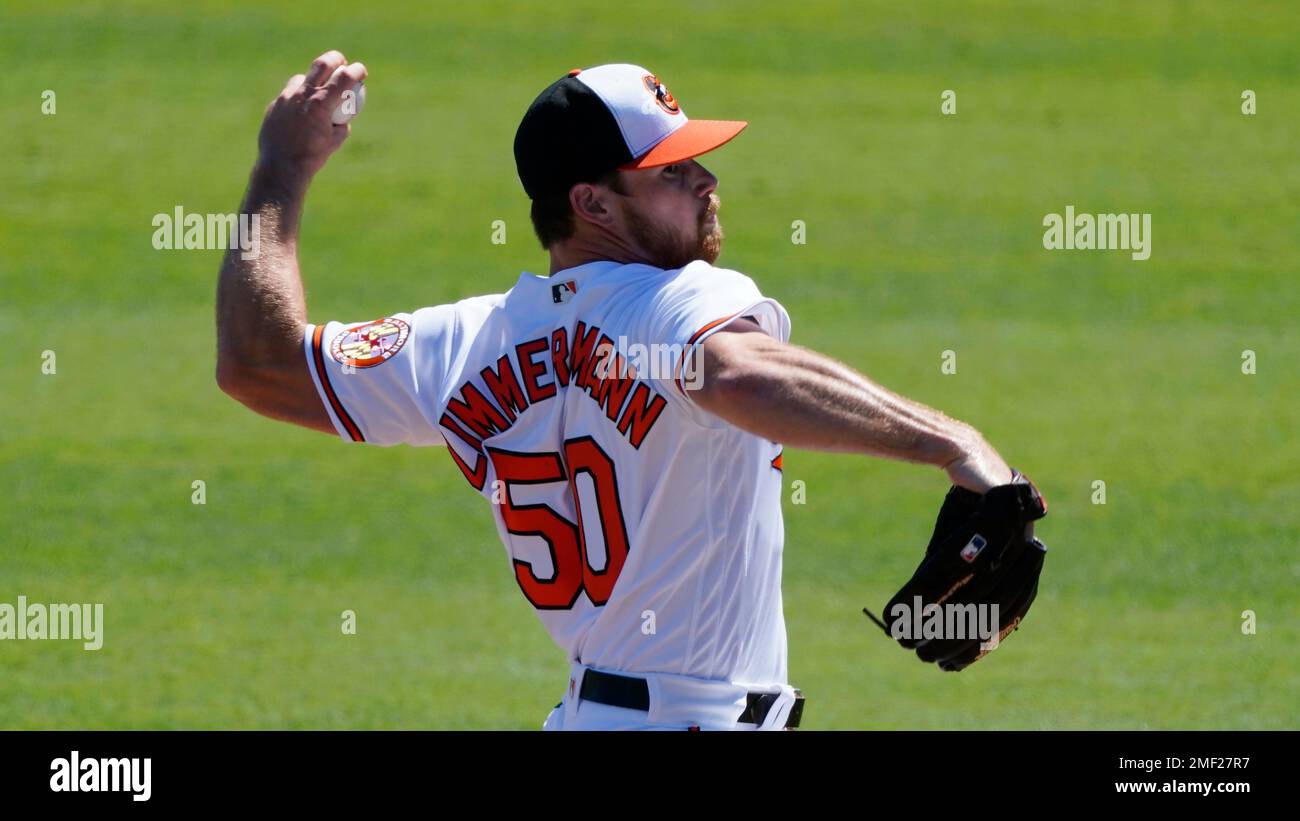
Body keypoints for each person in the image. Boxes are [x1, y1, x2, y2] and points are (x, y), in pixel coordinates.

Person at [215, 53, 1016, 731]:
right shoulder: (672, 300)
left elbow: (260, 363)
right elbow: (732, 371)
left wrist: (282, 168)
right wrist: (951, 442)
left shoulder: (465, 341)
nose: (705, 180)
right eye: (671, 172)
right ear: (591, 203)